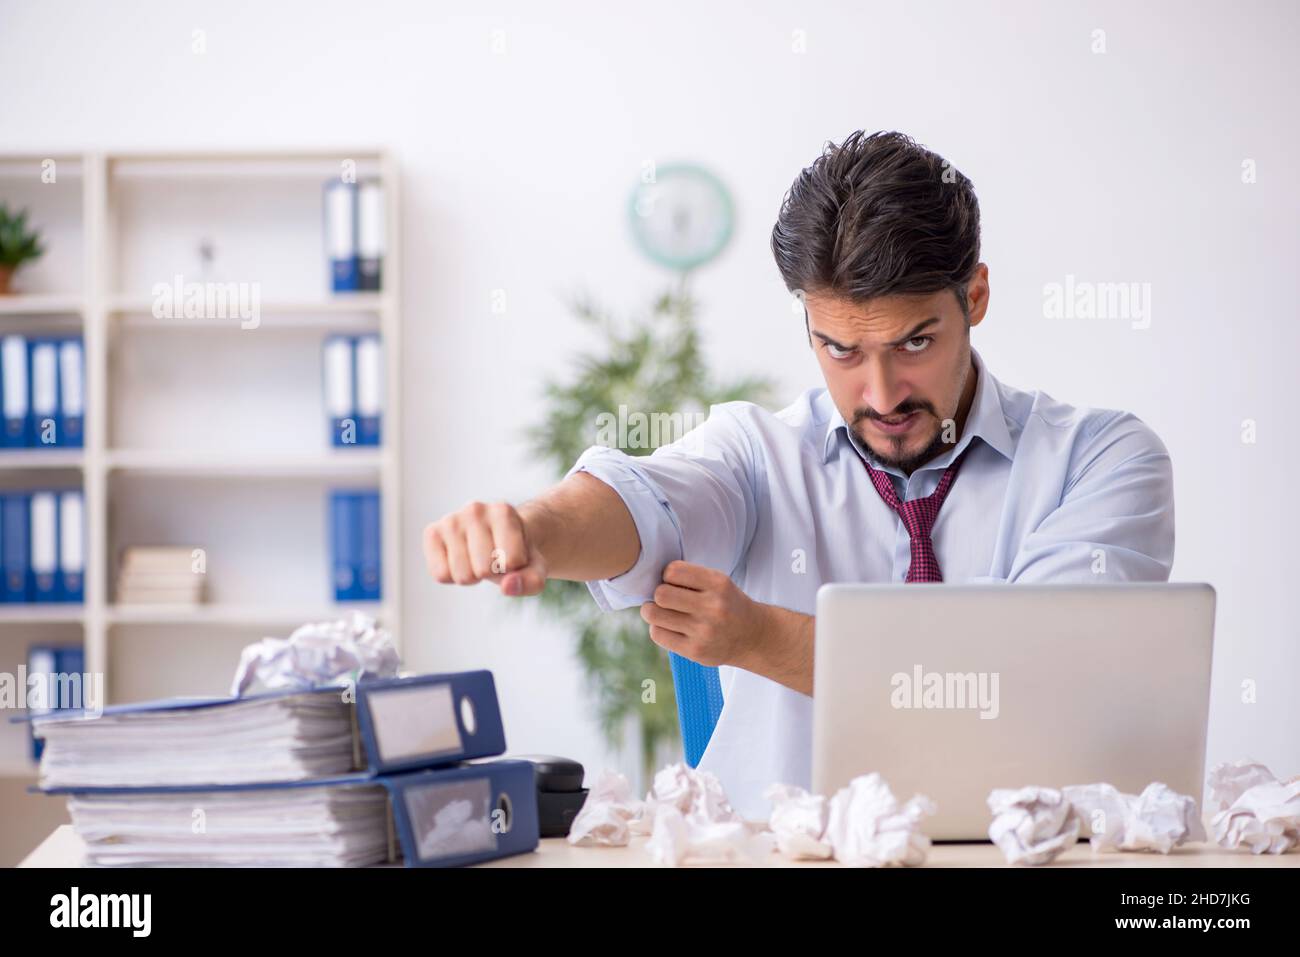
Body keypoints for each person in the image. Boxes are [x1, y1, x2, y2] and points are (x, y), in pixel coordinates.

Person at [423, 130, 1174, 818]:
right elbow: (642, 500)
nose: (880, 396)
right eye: (841, 349)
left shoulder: (1101, 460)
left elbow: (1035, 684)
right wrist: (535, 530)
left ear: (974, 296)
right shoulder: (758, 453)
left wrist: (762, 638)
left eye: (915, 342)